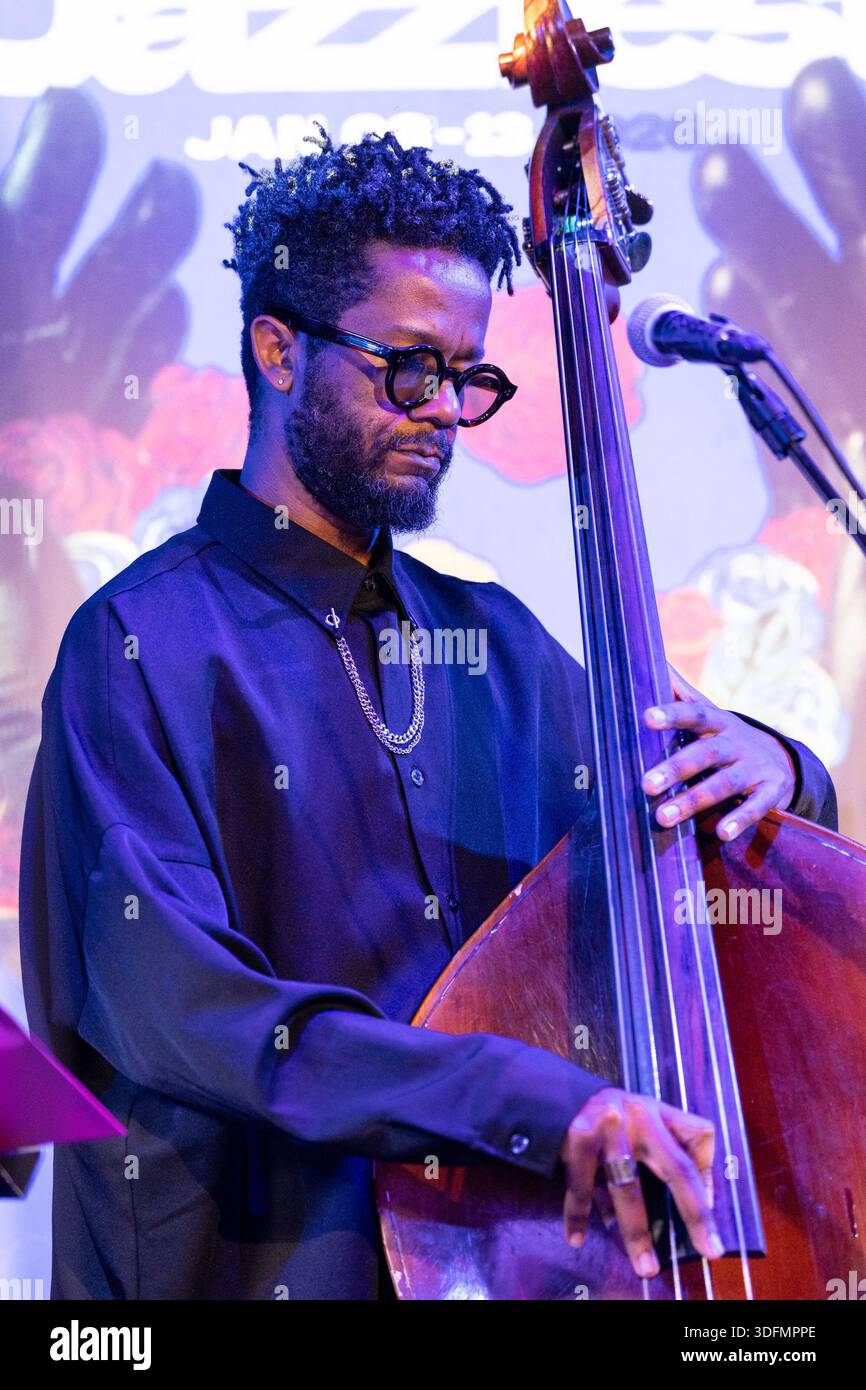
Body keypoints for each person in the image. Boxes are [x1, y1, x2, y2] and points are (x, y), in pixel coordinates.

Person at [19, 125, 838, 1301]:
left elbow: (687, 800)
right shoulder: (138, 647)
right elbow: (192, 1013)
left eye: (466, 376)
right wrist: (530, 1101)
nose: (446, 408)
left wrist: (779, 764)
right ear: (276, 350)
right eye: (408, 368)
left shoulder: (493, 642)